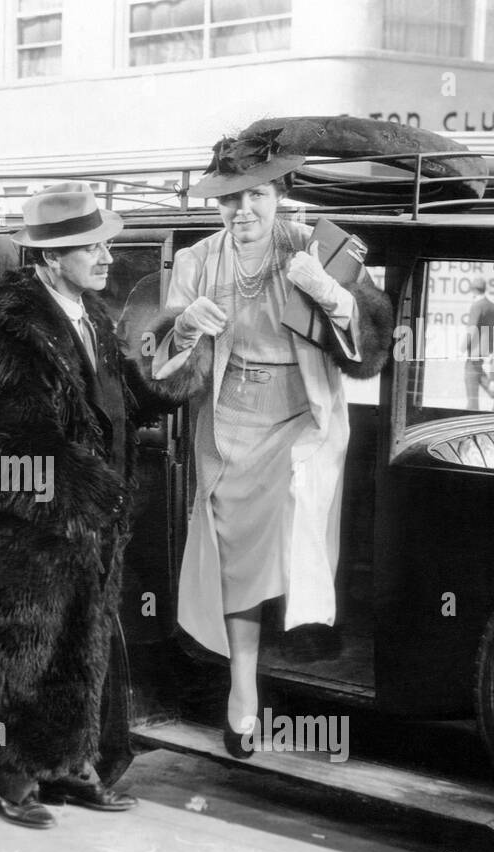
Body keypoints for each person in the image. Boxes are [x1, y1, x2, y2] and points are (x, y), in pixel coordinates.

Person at [142, 131, 392, 759]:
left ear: (280, 194)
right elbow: (162, 365)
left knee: (291, 522)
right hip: (226, 421)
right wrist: (183, 329)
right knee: (233, 556)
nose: (242, 212)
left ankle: (306, 640)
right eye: (228, 201)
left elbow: (370, 344)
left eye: (254, 196)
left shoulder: (315, 245)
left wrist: (334, 295)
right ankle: (243, 688)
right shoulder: (198, 260)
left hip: (300, 417)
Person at [0, 182, 184, 828]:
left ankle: (69, 764)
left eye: (105, 242)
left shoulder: (92, 318)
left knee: (80, 646)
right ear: (51, 259)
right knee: (24, 647)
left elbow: (116, 404)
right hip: (23, 536)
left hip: (84, 528)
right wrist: (92, 493)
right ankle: (11, 776)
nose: (106, 256)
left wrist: (164, 383)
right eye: (90, 246)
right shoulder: (7, 330)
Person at [463, 274, 494, 410]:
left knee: (470, 381)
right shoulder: (491, 306)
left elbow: (471, 329)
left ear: (473, 290)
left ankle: (471, 411)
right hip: (485, 349)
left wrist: (462, 348)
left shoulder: (476, 306)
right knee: (478, 374)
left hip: (474, 351)